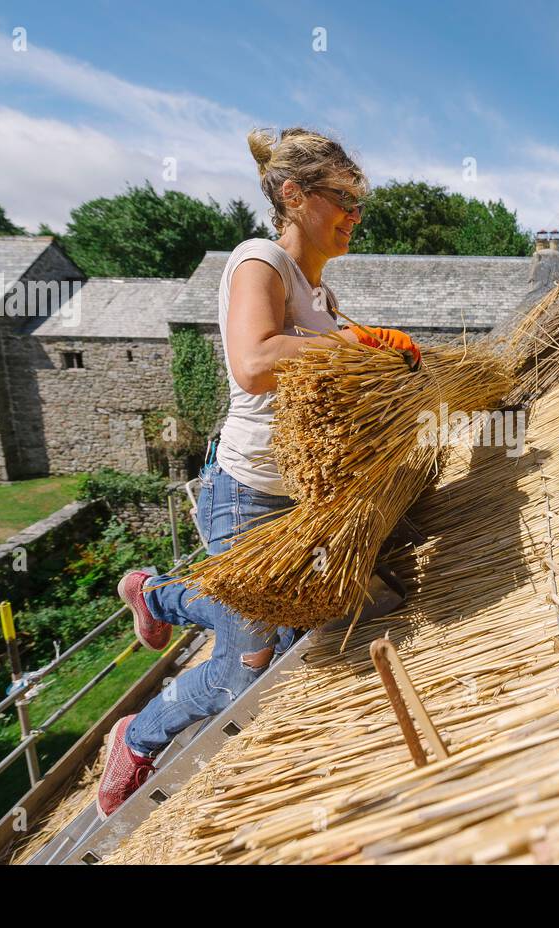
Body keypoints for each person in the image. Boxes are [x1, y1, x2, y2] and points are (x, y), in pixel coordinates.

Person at [96, 127, 421, 819]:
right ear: (295, 195)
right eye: (344, 200)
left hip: (294, 497)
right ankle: (138, 735)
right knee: (245, 669)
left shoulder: (320, 295)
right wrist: (353, 341)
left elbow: (327, 364)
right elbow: (254, 361)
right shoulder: (259, 261)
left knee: (289, 617)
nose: (354, 217)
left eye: (360, 204)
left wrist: (386, 366)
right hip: (242, 497)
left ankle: (155, 595)